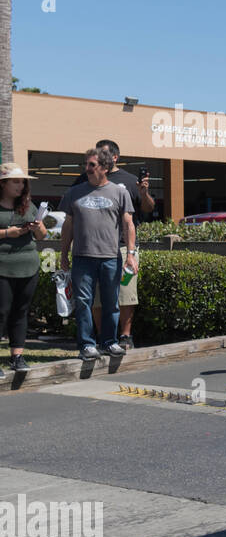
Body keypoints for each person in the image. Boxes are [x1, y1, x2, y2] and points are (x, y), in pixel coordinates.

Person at [69, 139, 154, 348]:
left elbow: (146, 210)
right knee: (95, 299)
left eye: (101, 155)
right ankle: (100, 339)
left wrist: (143, 193)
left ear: (113, 158)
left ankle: (124, 336)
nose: (89, 167)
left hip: (122, 247)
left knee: (124, 296)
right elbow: (71, 216)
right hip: (89, 250)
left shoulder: (128, 182)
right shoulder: (82, 181)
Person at [59, 146, 136, 361]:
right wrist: (64, 254)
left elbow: (128, 224)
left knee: (111, 303)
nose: (87, 169)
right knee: (84, 302)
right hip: (82, 258)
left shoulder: (120, 192)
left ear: (104, 167)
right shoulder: (74, 192)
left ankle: (109, 343)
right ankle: (86, 345)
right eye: (86, 165)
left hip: (111, 257)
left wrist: (130, 254)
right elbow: (68, 226)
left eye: (91, 165)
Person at [0, 163, 48, 373]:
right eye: (15, 181)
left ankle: (17, 357)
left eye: (23, 182)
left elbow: (42, 236)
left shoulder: (29, 206)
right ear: (3, 184)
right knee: (1, 312)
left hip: (28, 266)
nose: (20, 186)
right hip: (2, 267)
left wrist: (37, 228)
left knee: (21, 311)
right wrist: (7, 233)